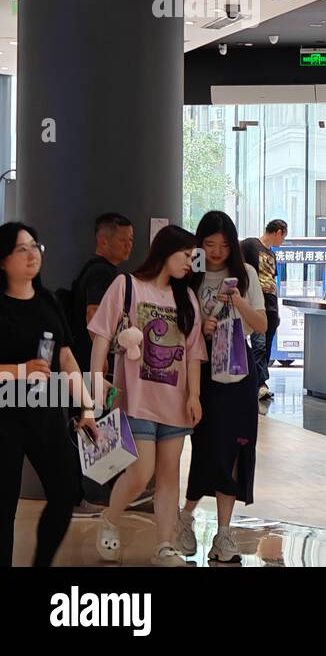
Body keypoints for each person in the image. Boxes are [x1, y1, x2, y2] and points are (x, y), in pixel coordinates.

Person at [89, 225, 206, 566]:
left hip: (175, 400)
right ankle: (110, 519)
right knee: (142, 472)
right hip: (136, 397)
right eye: (186, 255)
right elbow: (100, 333)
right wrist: (96, 379)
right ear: (165, 251)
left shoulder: (186, 299)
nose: (190, 262)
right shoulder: (127, 285)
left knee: (169, 475)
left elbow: (194, 352)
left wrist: (194, 395)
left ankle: (164, 545)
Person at [0, 223, 99, 567]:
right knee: (4, 509)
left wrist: (87, 406)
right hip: (4, 415)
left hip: (44, 410)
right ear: (3, 261)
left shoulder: (48, 300)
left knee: (64, 492)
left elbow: (66, 357)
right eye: (21, 249)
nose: (31, 255)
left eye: (34, 246)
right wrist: (19, 371)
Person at [178, 211, 267, 565]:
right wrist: (203, 330)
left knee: (233, 450)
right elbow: (179, 329)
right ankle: (185, 518)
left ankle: (224, 532)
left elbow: (260, 323)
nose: (216, 252)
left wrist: (238, 301)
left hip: (238, 373)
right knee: (205, 446)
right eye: (209, 244)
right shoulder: (188, 277)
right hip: (200, 370)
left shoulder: (244, 275)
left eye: (223, 245)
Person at [67, 212, 135, 514]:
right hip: (92, 366)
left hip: (88, 366)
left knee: (95, 427)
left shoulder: (98, 272)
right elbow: (94, 317)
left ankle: (110, 491)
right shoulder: (101, 273)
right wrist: (102, 360)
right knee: (92, 426)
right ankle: (94, 493)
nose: (128, 246)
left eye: (131, 240)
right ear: (102, 240)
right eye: (123, 240)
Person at [241, 218, 287, 401]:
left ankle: (259, 382)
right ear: (278, 232)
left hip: (271, 306)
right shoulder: (251, 244)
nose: (282, 242)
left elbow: (272, 282)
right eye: (283, 237)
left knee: (266, 345)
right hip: (257, 304)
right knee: (259, 344)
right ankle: (260, 384)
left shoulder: (272, 254)